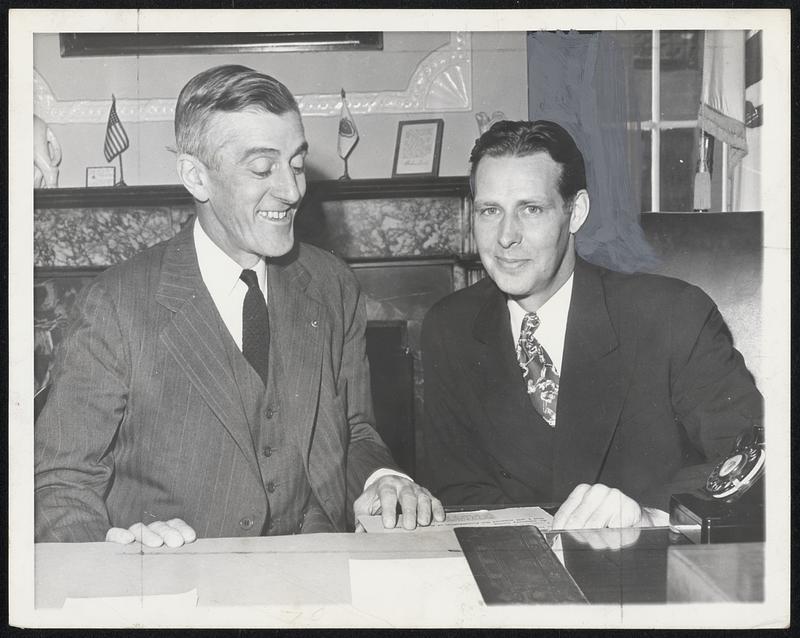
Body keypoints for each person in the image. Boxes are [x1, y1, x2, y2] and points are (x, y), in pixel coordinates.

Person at [35, 65, 444, 547]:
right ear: (195, 176)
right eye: (261, 168)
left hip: (312, 577)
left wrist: (381, 480)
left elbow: (353, 430)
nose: (292, 191)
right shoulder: (115, 305)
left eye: (295, 163)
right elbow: (60, 484)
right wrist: (118, 567)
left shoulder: (331, 284)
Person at [421, 120, 762, 530]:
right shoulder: (449, 327)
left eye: (531, 209)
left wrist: (652, 517)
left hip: (647, 575)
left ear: (576, 211)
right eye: (490, 211)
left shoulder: (672, 315)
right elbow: (456, 488)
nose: (506, 237)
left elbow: (752, 461)